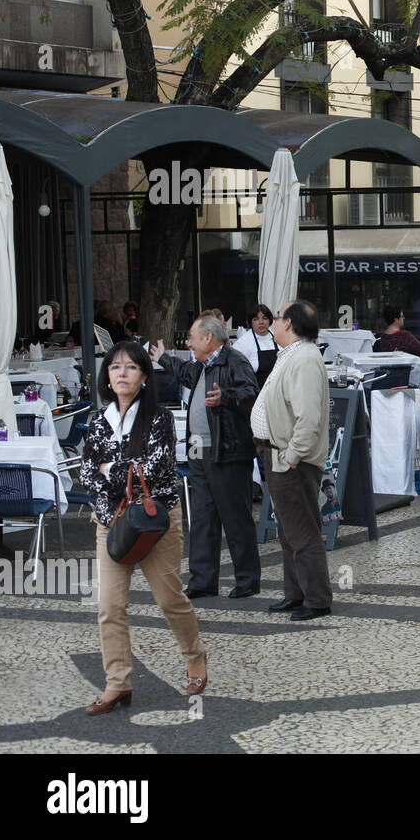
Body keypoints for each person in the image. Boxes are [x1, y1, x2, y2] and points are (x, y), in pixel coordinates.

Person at [81, 341, 207, 714]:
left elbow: (154, 468)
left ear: (144, 377)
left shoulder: (161, 419)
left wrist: (109, 469)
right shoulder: (97, 422)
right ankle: (117, 683)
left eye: (131, 367)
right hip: (112, 523)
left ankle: (195, 656)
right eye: (115, 367)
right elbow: (86, 474)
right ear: (107, 376)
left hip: (156, 522)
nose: (121, 373)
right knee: (109, 606)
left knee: (169, 599)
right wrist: (115, 471)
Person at [151, 315, 261, 600]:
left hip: (226, 449)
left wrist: (225, 397)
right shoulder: (203, 365)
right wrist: (163, 358)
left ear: (208, 338)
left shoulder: (233, 361)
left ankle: (247, 579)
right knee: (202, 517)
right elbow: (185, 372)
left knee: (235, 517)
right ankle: (202, 580)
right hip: (198, 448)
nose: (189, 342)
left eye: (192, 337)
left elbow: (251, 394)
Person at [252, 300, 333, 621]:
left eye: (278, 316)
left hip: (291, 460)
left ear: (290, 324)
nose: (273, 321)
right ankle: (295, 593)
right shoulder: (292, 355)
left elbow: (309, 418)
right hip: (277, 454)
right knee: (289, 531)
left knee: (302, 532)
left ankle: (317, 600)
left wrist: (291, 456)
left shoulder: (304, 360)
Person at [233, 304, 281, 388]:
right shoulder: (243, 343)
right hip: (256, 393)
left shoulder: (279, 338)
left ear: (270, 320)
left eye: (265, 318)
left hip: (278, 389)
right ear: (251, 322)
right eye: (256, 319)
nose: (261, 322)